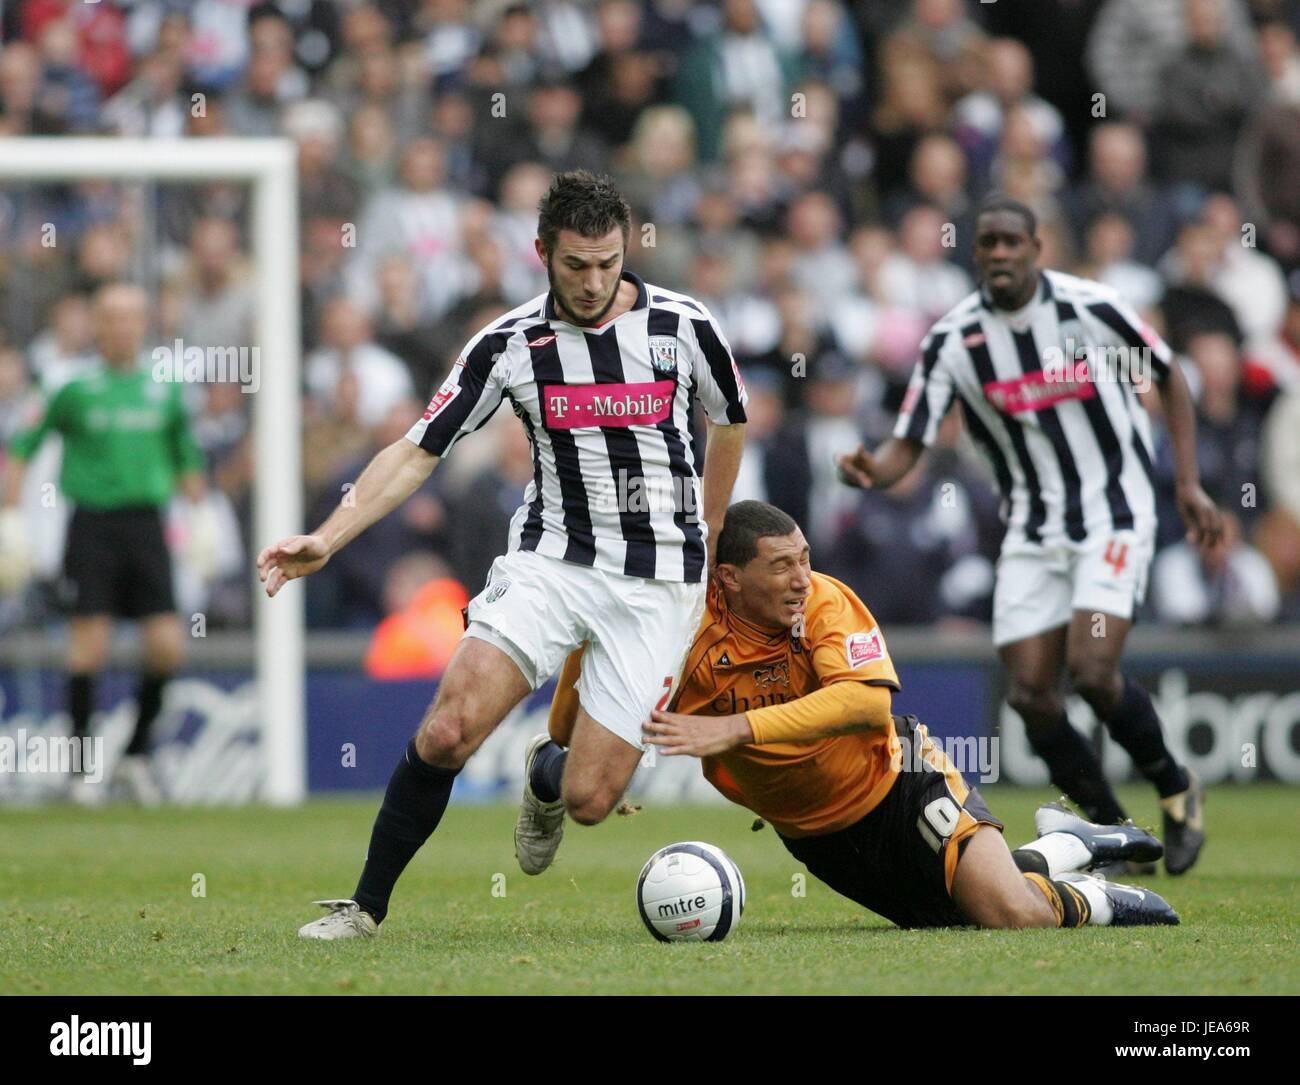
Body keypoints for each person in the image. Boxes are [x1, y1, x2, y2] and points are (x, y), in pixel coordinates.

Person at [262, 171, 748, 939]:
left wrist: (711, 527)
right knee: (449, 728)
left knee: (591, 799)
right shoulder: (509, 343)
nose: (593, 283)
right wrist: (327, 535)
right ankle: (364, 906)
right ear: (541, 253)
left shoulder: (684, 326)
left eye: (608, 263)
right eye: (575, 265)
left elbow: (730, 420)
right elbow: (419, 449)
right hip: (551, 561)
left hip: (659, 581)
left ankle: (547, 775)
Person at [545, 502, 1177, 929]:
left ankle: (1102, 897)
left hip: (900, 781)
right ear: (729, 578)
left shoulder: (823, 602)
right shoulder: (682, 628)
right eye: (781, 565)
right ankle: (1070, 842)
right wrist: (612, 756)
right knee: (953, 918)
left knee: (1012, 915)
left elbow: (866, 701)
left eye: (804, 557)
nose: (802, 577)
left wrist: (733, 729)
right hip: (815, 835)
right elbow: (576, 712)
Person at [835, 195, 1223, 875]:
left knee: (1094, 670)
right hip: (1032, 525)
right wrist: (873, 468)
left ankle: (1173, 783)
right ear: (977, 252)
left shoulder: (1090, 308)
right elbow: (910, 440)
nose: (1002, 253)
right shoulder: (954, 340)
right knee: (1028, 694)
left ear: (1038, 248)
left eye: (1014, 241)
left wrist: (1186, 482)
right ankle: (1109, 825)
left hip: (1114, 510)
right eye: (989, 243)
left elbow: (1170, 374)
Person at [2, 282, 207, 805]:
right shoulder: (72, 386)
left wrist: (202, 515)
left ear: (144, 323)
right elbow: (24, 445)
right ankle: (77, 770)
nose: (123, 326)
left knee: (166, 647)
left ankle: (134, 756)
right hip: (91, 525)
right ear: (97, 324)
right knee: (87, 645)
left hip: (147, 525)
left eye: (133, 316)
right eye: (112, 316)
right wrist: (10, 515)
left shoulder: (165, 387)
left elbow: (186, 456)